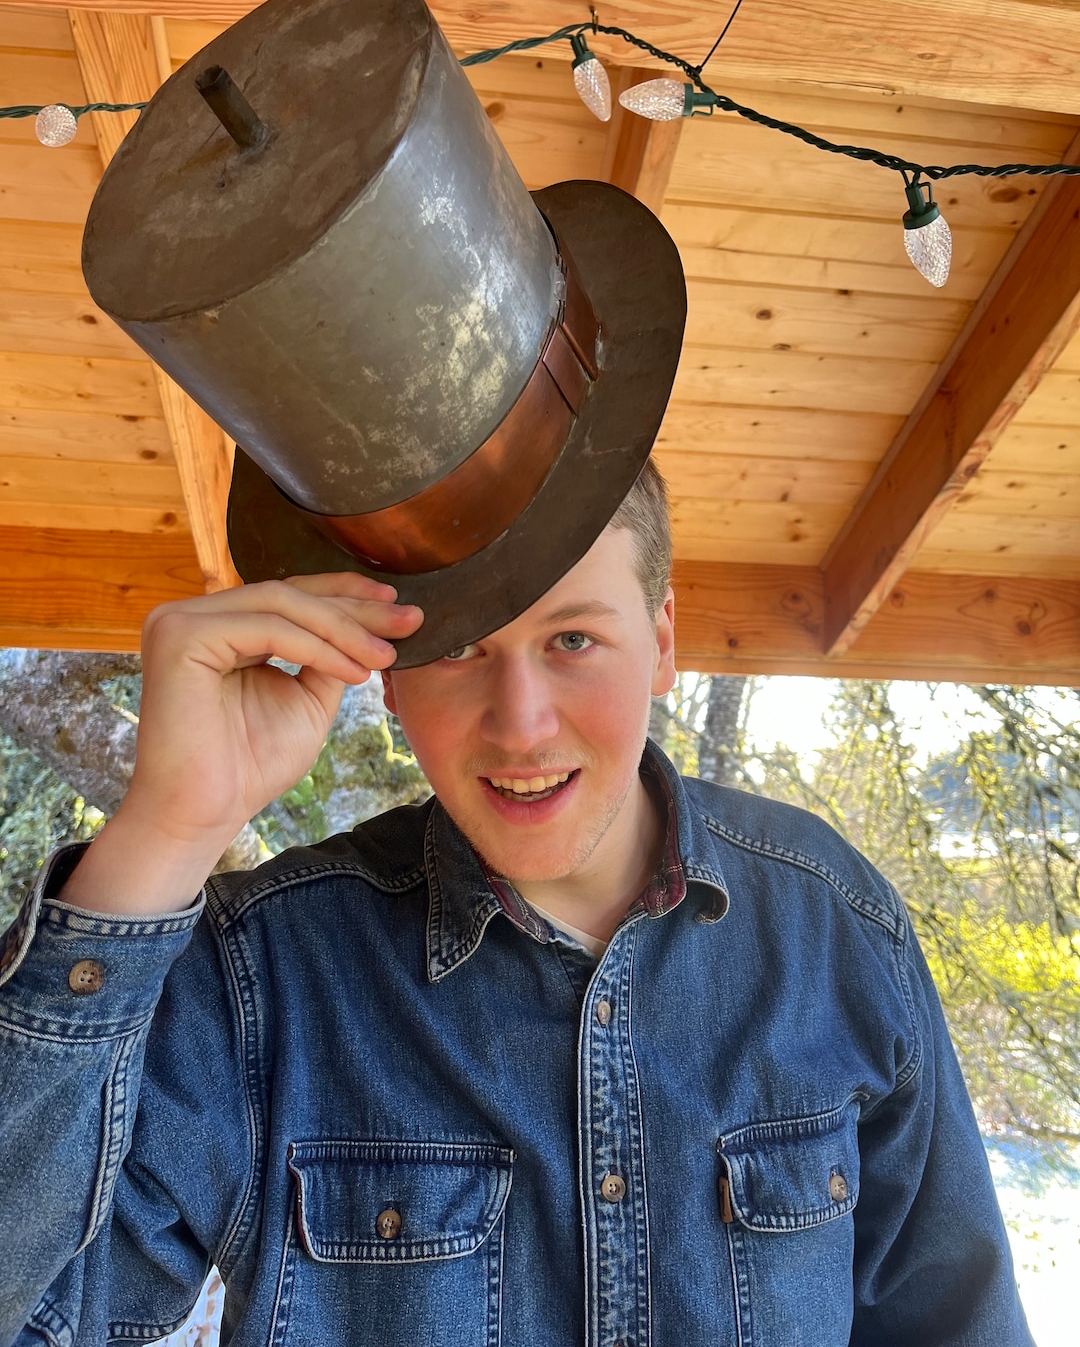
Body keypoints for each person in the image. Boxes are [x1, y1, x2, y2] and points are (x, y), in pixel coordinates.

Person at [0, 461, 1032, 1347]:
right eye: (456, 648)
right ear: (389, 679)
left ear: (663, 641)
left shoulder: (839, 932)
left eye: (573, 639)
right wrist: (164, 832)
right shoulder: (264, 972)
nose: (522, 726)